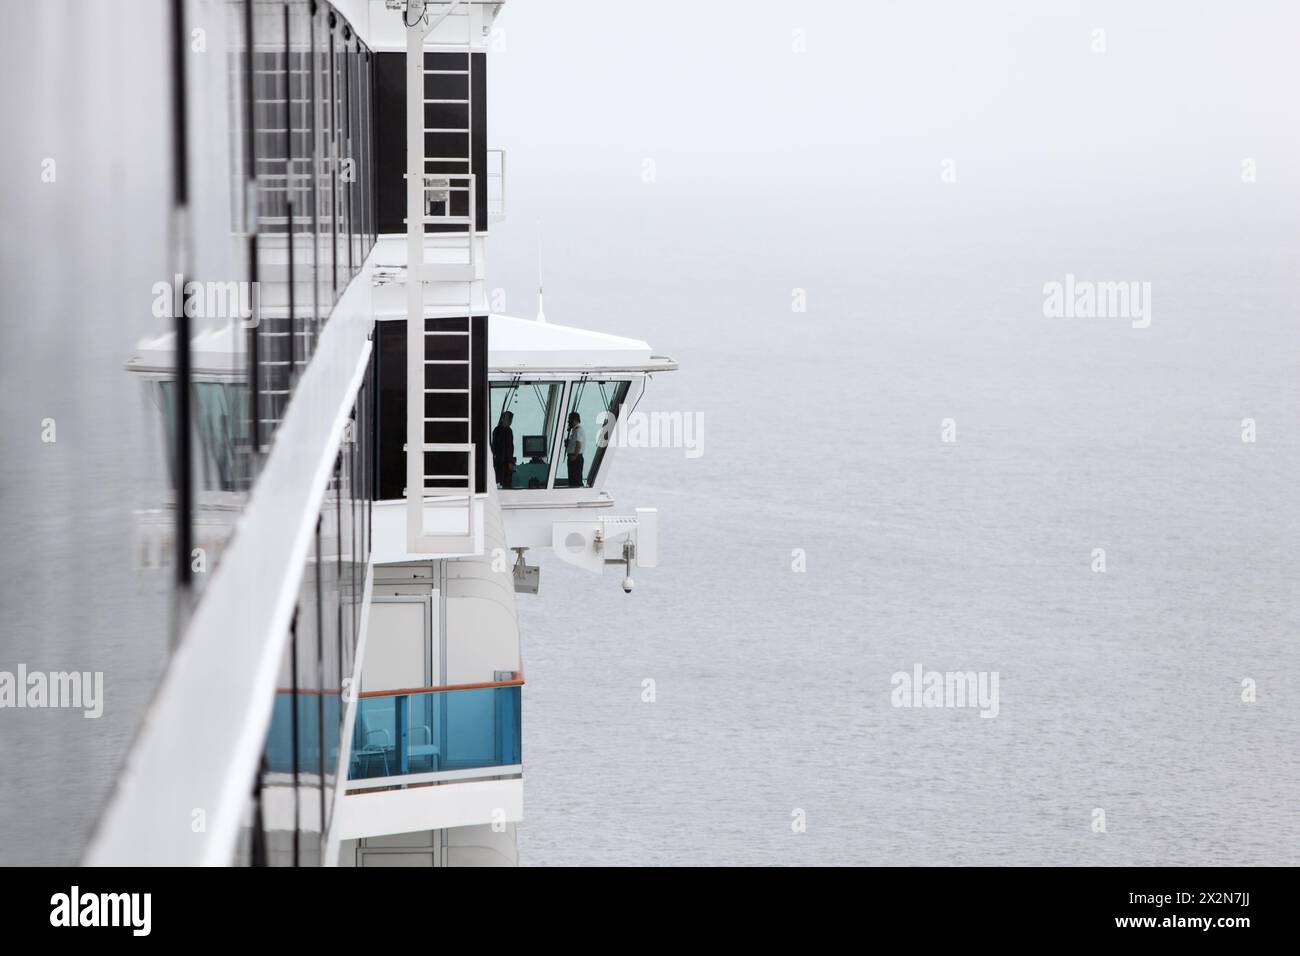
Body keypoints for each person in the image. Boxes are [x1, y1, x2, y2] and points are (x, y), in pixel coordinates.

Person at [491, 411, 515, 488]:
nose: (510, 422)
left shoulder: (500, 430)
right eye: (509, 420)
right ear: (503, 419)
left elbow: (509, 448)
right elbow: (508, 448)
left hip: (501, 463)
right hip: (501, 464)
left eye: (511, 420)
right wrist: (510, 462)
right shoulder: (501, 431)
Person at [564, 410, 585, 488]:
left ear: (575, 420)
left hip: (575, 458)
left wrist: (575, 456)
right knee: (573, 478)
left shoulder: (578, 430)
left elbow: (578, 444)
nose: (569, 422)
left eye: (570, 420)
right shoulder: (576, 430)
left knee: (575, 480)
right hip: (574, 457)